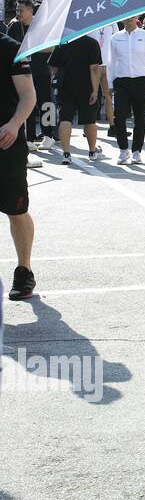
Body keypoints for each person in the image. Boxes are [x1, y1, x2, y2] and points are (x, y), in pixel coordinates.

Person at [1, 29, 37, 300]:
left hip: (7, 143)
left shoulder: (11, 48)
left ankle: (24, 271)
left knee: (17, 210)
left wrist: (14, 125)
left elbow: (28, 96)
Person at [106, 14, 145, 164]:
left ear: (136, 16)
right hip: (121, 82)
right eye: (126, 16)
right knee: (119, 117)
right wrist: (110, 84)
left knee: (140, 118)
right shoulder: (115, 37)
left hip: (141, 81)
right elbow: (110, 63)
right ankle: (123, 151)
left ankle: (136, 151)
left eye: (131, 16)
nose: (128, 18)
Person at [6, 0, 54, 162]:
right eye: (17, 10)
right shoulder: (13, 26)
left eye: (21, 10)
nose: (18, 13)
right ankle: (30, 138)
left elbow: (53, 47)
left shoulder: (42, 25)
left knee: (46, 103)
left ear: (30, 11)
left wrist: (33, 47)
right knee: (27, 104)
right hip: (22, 72)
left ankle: (49, 135)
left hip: (41, 70)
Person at [48, 32, 102, 165]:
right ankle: (92, 151)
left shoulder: (62, 44)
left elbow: (54, 67)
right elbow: (94, 69)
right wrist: (95, 90)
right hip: (87, 86)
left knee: (65, 119)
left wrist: (54, 80)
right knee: (89, 120)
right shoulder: (92, 43)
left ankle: (66, 154)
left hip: (65, 86)